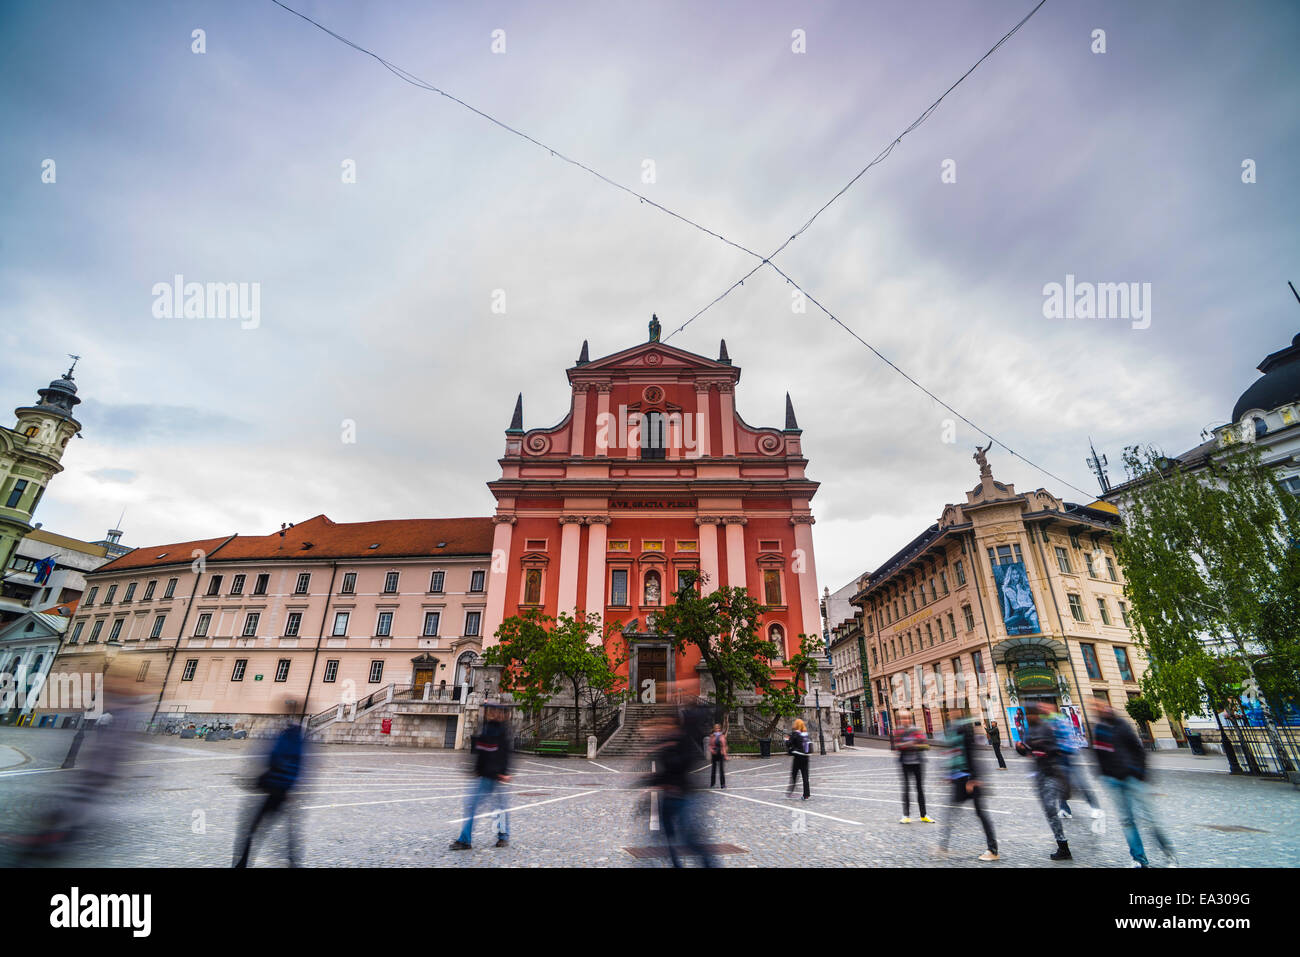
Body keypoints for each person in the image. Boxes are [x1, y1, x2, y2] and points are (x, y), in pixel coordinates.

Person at [1092, 698, 1177, 868]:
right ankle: (1139, 859)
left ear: (1106, 706)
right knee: (1126, 821)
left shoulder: (1121, 725)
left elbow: (1138, 750)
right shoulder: (1098, 729)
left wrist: (1140, 773)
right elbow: (1098, 754)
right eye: (1094, 707)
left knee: (1149, 819)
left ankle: (1169, 855)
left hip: (1133, 779)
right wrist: (1103, 774)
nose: (1097, 709)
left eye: (1098, 705)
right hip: (1113, 781)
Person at [235, 704, 306, 867]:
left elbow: (275, 759)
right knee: (286, 833)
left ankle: (242, 863)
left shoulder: (286, 737)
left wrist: (259, 776)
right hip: (284, 791)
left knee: (254, 828)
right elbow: (298, 765)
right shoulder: (299, 739)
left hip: (275, 789)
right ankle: (293, 861)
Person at [648, 713, 716, 867]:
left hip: (683, 797)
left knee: (689, 840)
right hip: (667, 798)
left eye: (667, 725)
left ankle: (709, 864)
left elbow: (681, 766)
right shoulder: (666, 744)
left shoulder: (684, 742)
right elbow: (662, 771)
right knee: (668, 840)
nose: (663, 728)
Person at [450, 703, 512, 850]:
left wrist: (504, 772)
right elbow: (481, 751)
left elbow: (505, 754)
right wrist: (475, 769)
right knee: (476, 805)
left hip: (495, 776)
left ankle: (500, 836)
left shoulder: (501, 732)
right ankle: (467, 839)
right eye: (491, 711)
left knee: (496, 808)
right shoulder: (486, 729)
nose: (493, 714)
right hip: (484, 775)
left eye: (496, 712)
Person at [937, 717, 999, 861]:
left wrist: (973, 779)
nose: (951, 714)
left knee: (980, 814)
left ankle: (993, 850)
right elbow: (955, 757)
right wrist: (948, 775)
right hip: (960, 780)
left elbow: (971, 757)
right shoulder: (954, 735)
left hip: (969, 781)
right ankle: (943, 846)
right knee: (950, 812)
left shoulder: (964, 733)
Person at [1018, 702, 1072, 860]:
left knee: (1050, 808)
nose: (1028, 717)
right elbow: (1028, 751)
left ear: (1035, 715)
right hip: (1039, 774)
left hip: (1051, 772)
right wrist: (1021, 748)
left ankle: (1064, 847)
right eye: (1026, 715)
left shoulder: (1047, 729)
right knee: (1049, 811)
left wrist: (1043, 747)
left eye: (1030, 714)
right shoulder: (1030, 731)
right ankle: (1062, 846)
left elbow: (1057, 749)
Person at [1053, 705, 1105, 834]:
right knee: (1061, 785)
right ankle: (1064, 809)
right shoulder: (1050, 724)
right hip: (1058, 758)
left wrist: (1063, 750)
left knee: (1079, 783)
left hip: (1067, 757)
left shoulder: (1062, 722)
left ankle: (1095, 807)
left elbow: (1069, 738)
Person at [895, 710, 934, 824]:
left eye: (907, 718)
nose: (905, 720)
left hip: (918, 763)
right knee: (906, 789)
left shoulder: (916, 730)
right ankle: (906, 815)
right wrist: (907, 745)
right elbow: (896, 746)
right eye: (903, 718)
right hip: (905, 763)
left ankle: (924, 815)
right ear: (900, 720)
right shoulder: (899, 731)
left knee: (920, 789)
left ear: (910, 719)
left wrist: (914, 745)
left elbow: (926, 745)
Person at [785, 718, 811, 800]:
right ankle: (806, 795)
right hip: (806, 757)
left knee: (794, 775)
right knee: (805, 777)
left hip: (798, 757)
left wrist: (786, 739)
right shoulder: (805, 734)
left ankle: (789, 792)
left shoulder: (795, 734)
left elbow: (789, 744)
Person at [708, 723, 727, 789]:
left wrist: (725, 755)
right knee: (713, 770)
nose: (717, 729)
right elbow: (710, 745)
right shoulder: (712, 736)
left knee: (721, 770)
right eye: (716, 728)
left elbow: (724, 746)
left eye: (719, 728)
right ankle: (712, 784)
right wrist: (712, 751)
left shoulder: (722, 736)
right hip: (714, 754)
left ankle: (723, 784)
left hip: (720, 753)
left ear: (720, 729)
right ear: (714, 729)